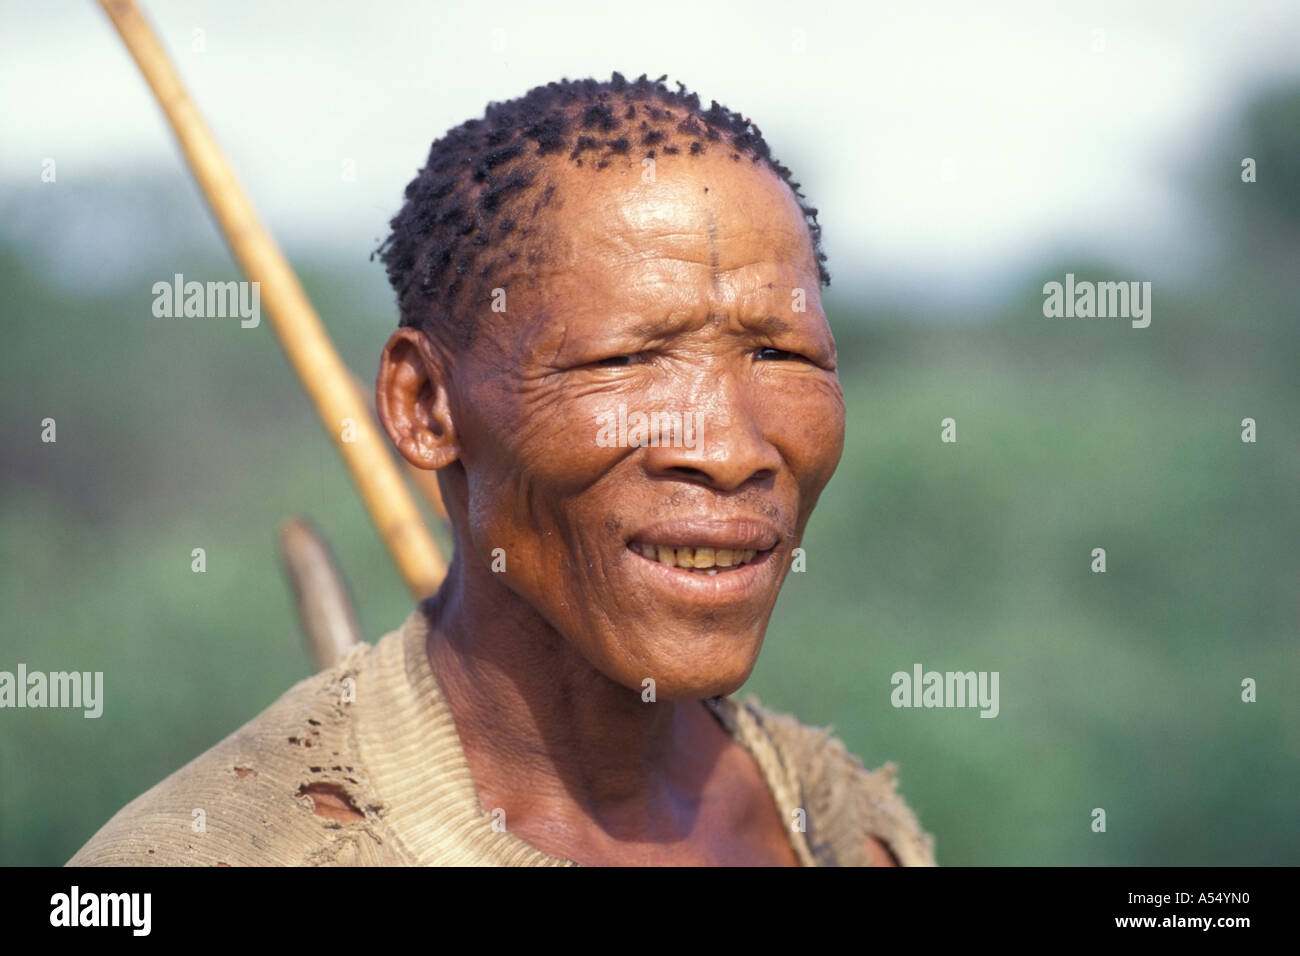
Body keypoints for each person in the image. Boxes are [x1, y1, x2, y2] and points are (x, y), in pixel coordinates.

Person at [70, 73, 936, 866]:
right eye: (624, 361)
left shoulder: (841, 827)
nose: (731, 450)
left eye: (784, 356)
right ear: (426, 405)